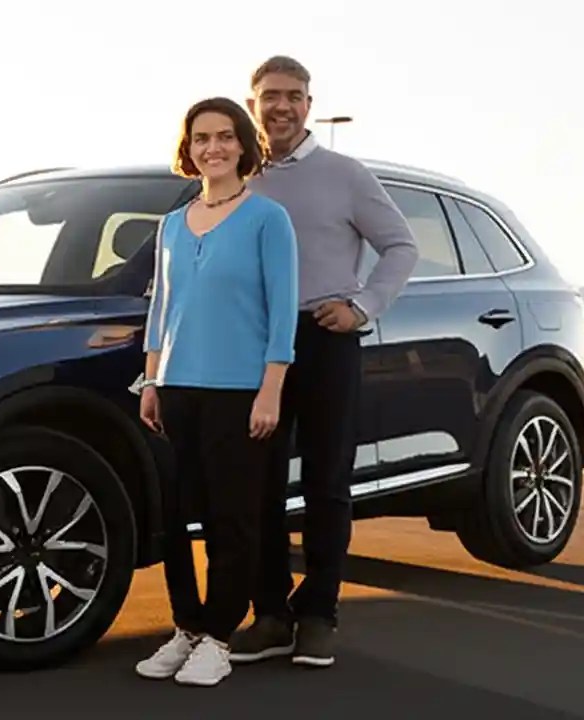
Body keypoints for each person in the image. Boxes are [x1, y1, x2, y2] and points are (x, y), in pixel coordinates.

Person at [229, 55, 418, 669]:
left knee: (326, 484)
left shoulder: (345, 174)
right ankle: (270, 614)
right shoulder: (236, 174)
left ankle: (318, 614)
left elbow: (400, 245)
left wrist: (362, 306)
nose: (281, 106)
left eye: (293, 95)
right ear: (252, 102)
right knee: (256, 486)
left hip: (324, 339)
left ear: (309, 104)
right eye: (269, 96)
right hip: (254, 347)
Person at [133, 97, 299, 687]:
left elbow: (282, 314)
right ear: (189, 147)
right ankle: (187, 627)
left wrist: (271, 390)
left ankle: (221, 636)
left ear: (243, 145)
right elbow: (162, 310)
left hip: (240, 392)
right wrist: (152, 380)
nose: (213, 148)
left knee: (234, 520)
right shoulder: (173, 225)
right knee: (174, 518)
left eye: (225, 136)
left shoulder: (267, 219)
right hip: (176, 389)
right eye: (202, 137)